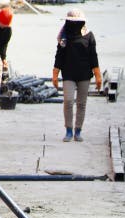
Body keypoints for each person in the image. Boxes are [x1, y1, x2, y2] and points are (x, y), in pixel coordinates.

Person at [52, 9, 101, 142]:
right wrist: (55, 75)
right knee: (68, 101)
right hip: (68, 73)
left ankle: (77, 131)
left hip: (85, 75)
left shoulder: (89, 36)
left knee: (81, 104)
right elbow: (59, 56)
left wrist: (98, 76)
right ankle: (68, 130)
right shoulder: (63, 36)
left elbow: (93, 56)